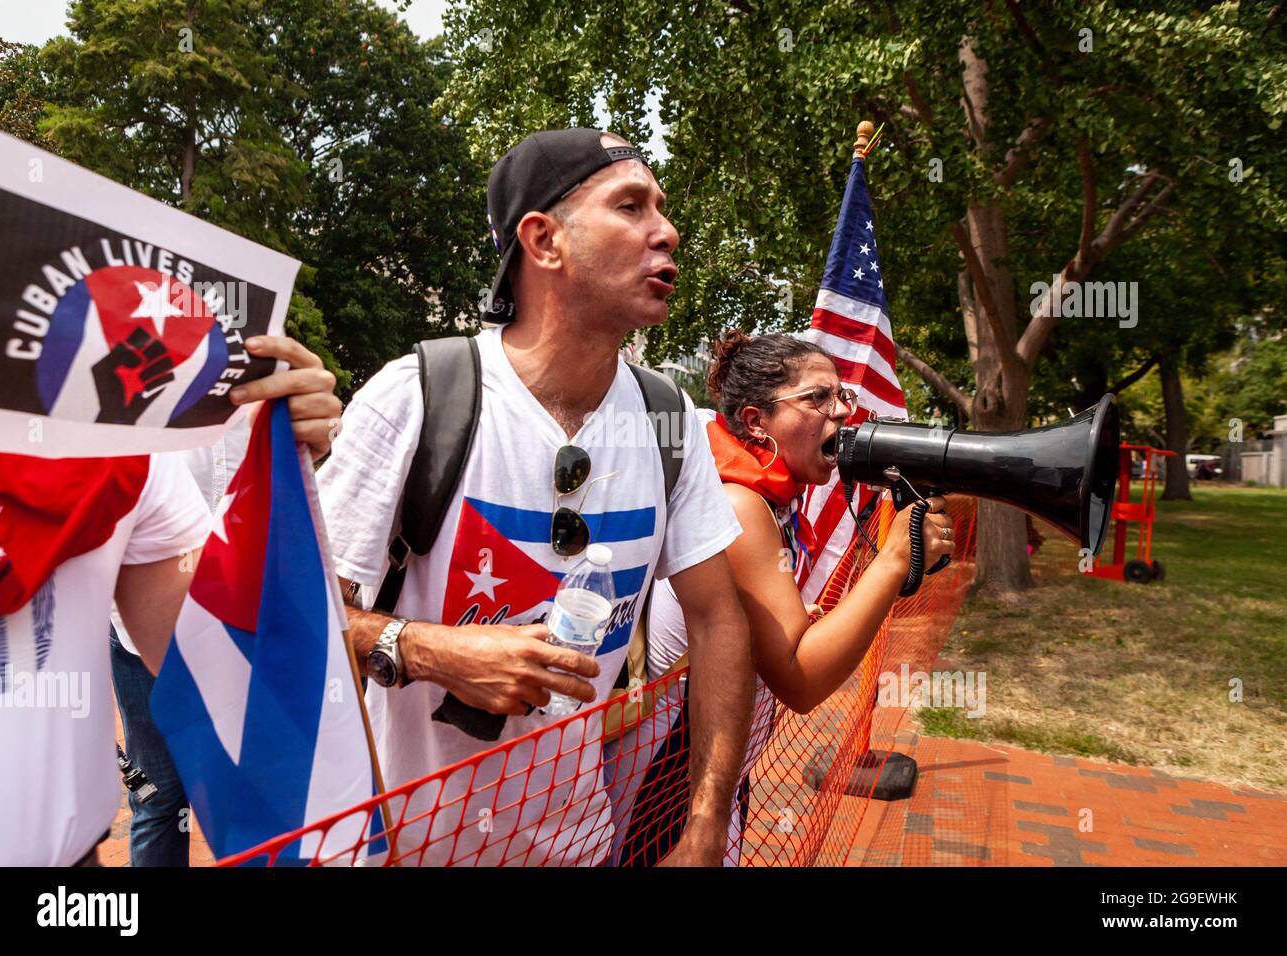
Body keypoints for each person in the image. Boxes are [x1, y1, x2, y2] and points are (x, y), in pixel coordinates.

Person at [317, 129, 756, 866]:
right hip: (392, 844)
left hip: (576, 844)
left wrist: (706, 825)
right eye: (631, 206)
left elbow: (718, 621)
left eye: (663, 208)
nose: (667, 230)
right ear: (543, 240)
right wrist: (423, 649)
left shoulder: (668, 418)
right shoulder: (420, 396)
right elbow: (293, 617)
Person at [0, 335, 342, 866]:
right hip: (123, 653)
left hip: (68, 872)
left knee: (156, 790)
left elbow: (222, 665)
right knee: (154, 797)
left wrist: (286, 476)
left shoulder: (125, 443)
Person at [608, 330, 954, 866]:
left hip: (711, 776)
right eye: (818, 398)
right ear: (755, 422)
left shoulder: (773, 500)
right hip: (664, 786)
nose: (841, 412)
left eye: (843, 396)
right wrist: (891, 562)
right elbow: (801, 680)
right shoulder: (741, 505)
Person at [107, 419, 252, 866]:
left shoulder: (271, 411)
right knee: (159, 795)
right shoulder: (140, 411)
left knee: (247, 793)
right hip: (141, 637)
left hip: (244, 637)